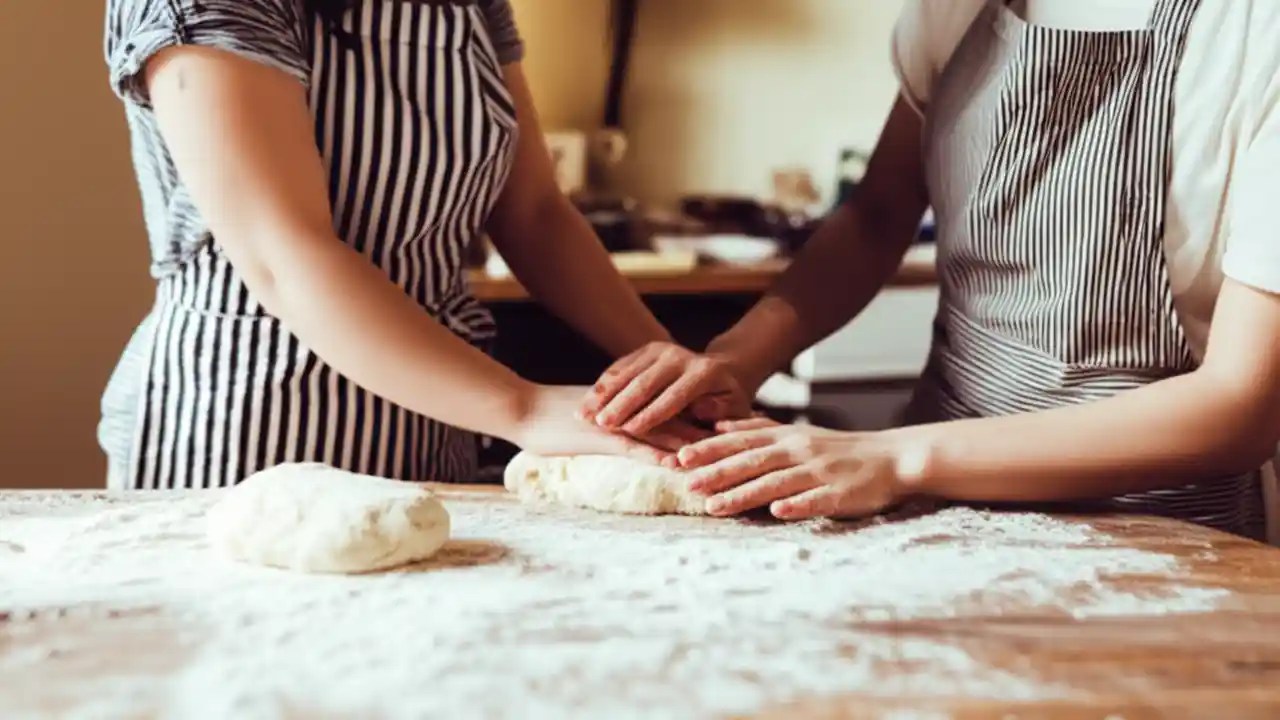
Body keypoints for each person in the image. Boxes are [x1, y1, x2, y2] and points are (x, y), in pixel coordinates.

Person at [582, 0, 1280, 542]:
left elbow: (1239, 407)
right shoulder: (960, 8)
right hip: (933, 512)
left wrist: (893, 460)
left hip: (1158, 528)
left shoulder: (1256, 39)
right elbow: (876, 215)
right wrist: (737, 359)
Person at [99, 0, 688, 490]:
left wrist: (673, 374)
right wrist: (525, 409)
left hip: (439, 422)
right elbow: (283, 254)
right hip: (250, 429)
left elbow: (533, 213)